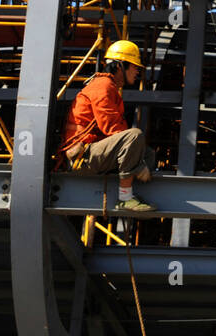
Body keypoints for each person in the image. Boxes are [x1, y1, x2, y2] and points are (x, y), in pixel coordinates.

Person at [56, 40, 155, 211]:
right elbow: (112, 128)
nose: (138, 71)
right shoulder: (103, 86)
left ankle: (130, 185)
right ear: (119, 66)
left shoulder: (109, 87)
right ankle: (125, 197)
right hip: (82, 157)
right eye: (134, 66)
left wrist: (141, 161)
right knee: (134, 136)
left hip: (93, 152)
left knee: (148, 153)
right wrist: (139, 166)